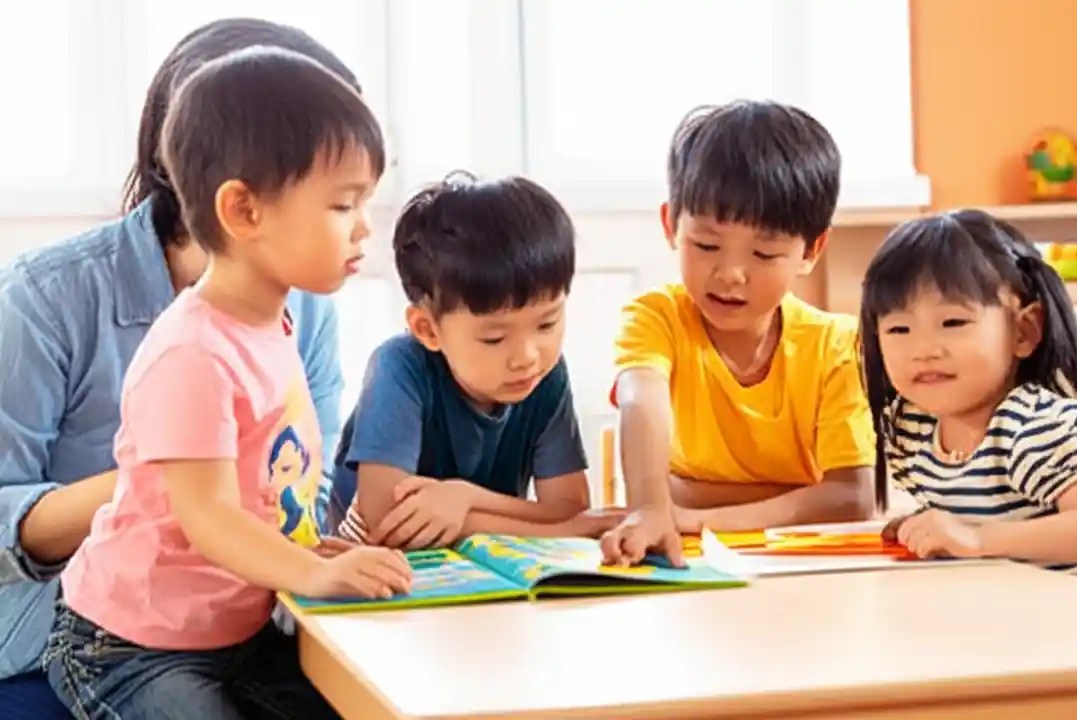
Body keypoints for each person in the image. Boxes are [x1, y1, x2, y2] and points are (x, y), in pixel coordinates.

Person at [41, 46, 413, 719]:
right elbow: (208, 516)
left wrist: (303, 549)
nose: (364, 228)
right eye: (343, 204)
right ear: (244, 211)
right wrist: (313, 573)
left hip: (236, 625)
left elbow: (266, 477)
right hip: (130, 646)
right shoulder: (192, 353)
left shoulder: (277, 320)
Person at [600, 100, 878, 567]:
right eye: (706, 245)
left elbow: (851, 498)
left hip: (804, 573)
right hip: (690, 565)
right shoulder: (656, 317)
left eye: (764, 254)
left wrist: (691, 509)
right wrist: (654, 506)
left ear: (811, 250)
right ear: (671, 225)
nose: (730, 274)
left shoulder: (836, 346)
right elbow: (639, 402)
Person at [333, 172, 621, 549]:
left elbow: (568, 506)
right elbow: (388, 519)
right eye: (494, 338)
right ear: (427, 330)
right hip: (374, 567)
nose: (526, 356)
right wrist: (556, 530)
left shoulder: (544, 376)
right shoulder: (399, 368)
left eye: (547, 323)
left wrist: (463, 499)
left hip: (482, 569)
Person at [863, 209, 1077, 587]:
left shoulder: (1034, 426)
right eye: (899, 328)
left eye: (953, 323)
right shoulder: (913, 425)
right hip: (1005, 616)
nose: (923, 350)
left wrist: (977, 538)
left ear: (1023, 331)